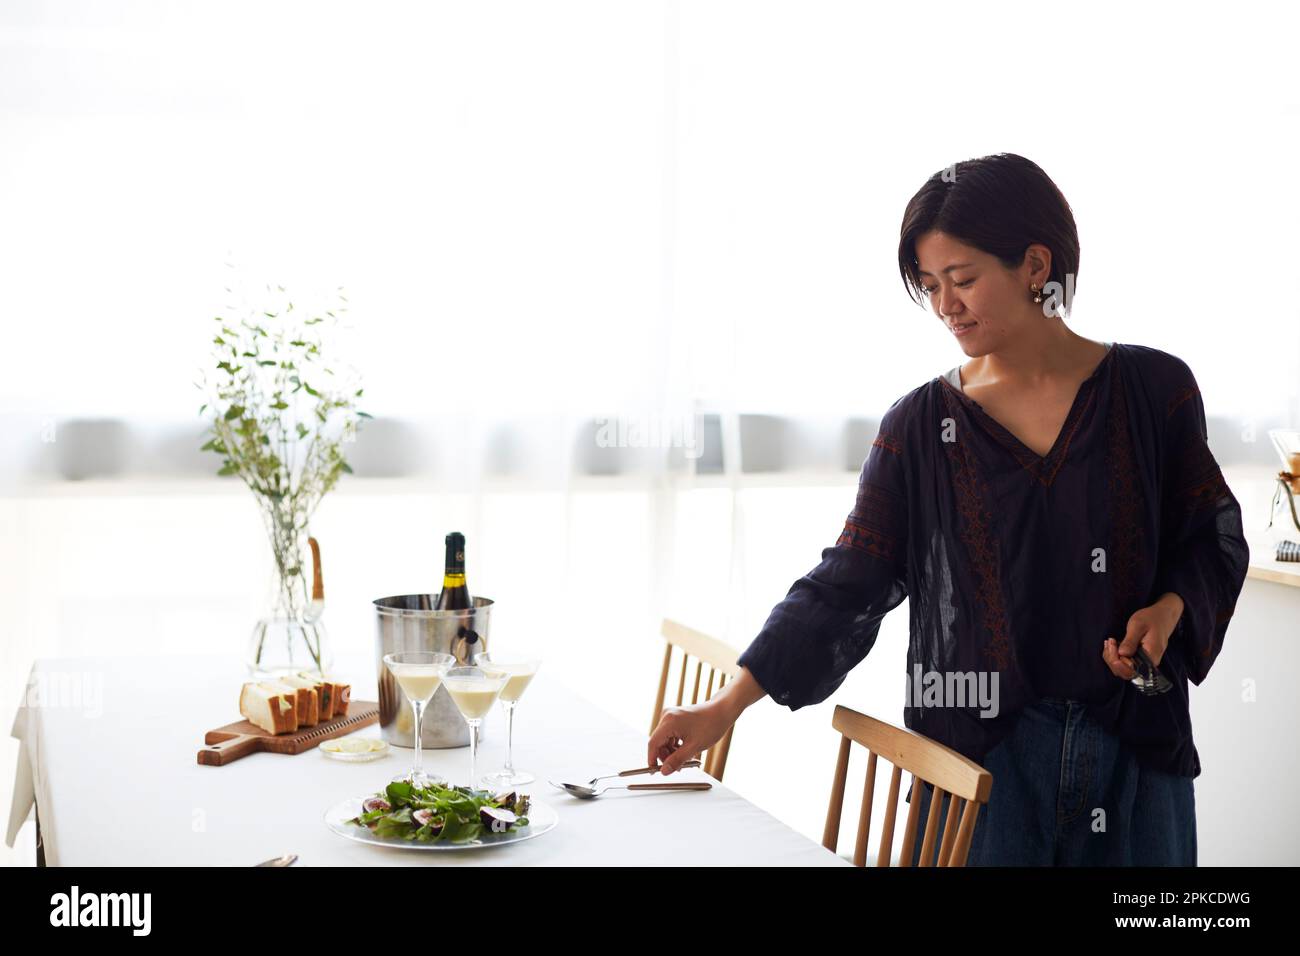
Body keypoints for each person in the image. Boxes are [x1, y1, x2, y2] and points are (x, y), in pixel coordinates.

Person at [646, 153, 1250, 866]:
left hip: (1136, 757)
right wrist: (727, 704)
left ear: (1034, 265)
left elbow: (1211, 537)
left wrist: (1172, 607)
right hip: (981, 769)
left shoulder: (1156, 389)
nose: (945, 305)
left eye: (962, 280)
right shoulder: (919, 427)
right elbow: (847, 583)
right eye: (930, 286)